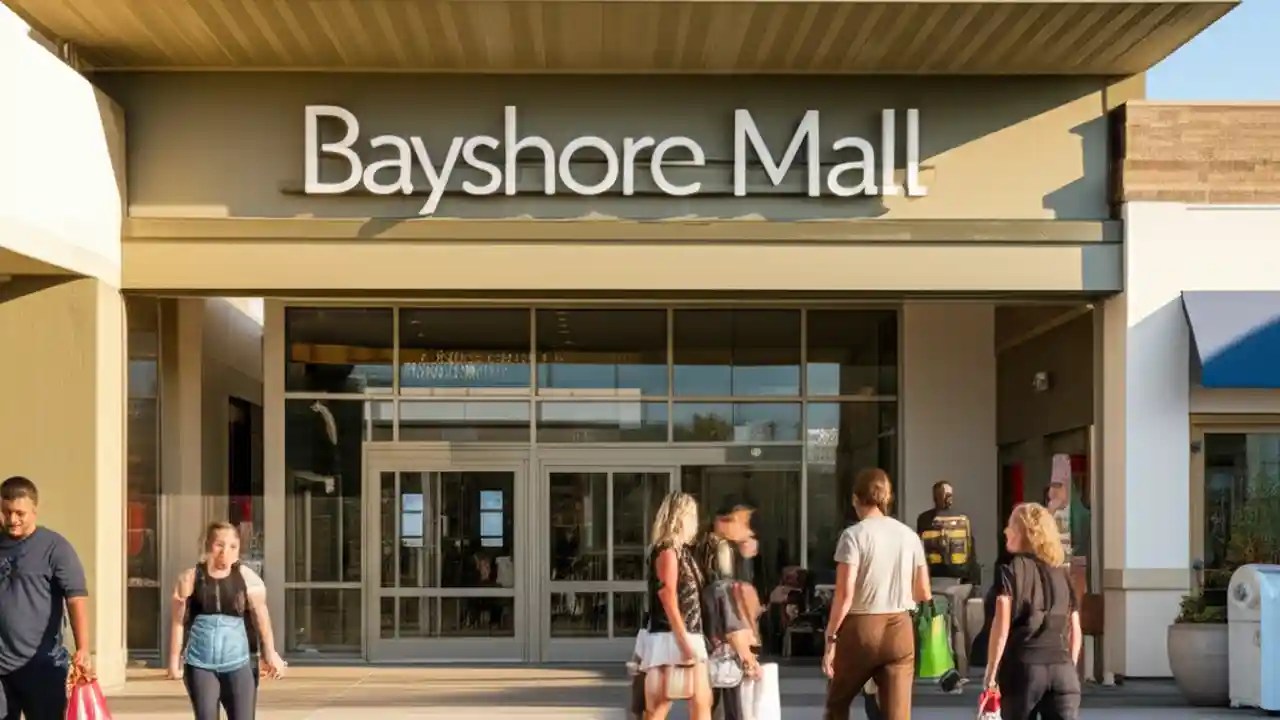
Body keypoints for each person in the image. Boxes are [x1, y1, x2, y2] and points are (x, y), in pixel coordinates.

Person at [822, 468, 931, 720]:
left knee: (837, 703)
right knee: (897, 714)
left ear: (855, 499)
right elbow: (923, 591)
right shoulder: (909, 536)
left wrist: (831, 638)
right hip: (899, 628)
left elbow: (844, 595)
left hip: (860, 628)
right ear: (887, 498)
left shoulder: (853, 536)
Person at [167, 522, 287, 720]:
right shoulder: (190, 578)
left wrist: (270, 653)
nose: (225, 552)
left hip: (239, 662)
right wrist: (173, 662)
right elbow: (178, 621)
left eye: (233, 546)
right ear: (208, 545)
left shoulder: (248, 579)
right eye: (219, 545)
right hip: (200, 663)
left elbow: (262, 620)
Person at [0, 476, 93, 720]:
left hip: (42, 665)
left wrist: (83, 648)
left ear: (34, 511)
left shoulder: (55, 548)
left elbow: (76, 598)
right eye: (6, 512)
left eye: (20, 513)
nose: (12, 520)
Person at [983, 503, 1082, 720]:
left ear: (1024, 534)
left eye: (1011, 526)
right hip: (1062, 668)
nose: (1005, 531)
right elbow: (1075, 630)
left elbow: (1002, 623)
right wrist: (1069, 667)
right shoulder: (1063, 574)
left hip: (1024, 668)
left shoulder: (1010, 570)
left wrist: (991, 675)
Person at [639, 492, 711, 720]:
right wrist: (683, 641)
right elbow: (667, 595)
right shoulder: (668, 551)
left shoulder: (682, 552)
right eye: (692, 516)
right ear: (682, 518)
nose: (696, 522)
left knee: (701, 703)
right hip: (672, 637)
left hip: (685, 633)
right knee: (660, 706)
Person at [694, 498, 762, 720]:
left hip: (716, 639)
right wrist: (747, 656)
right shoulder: (719, 551)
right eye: (743, 521)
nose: (748, 529)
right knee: (729, 703)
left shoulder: (715, 548)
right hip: (723, 641)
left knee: (717, 702)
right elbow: (728, 604)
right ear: (724, 521)